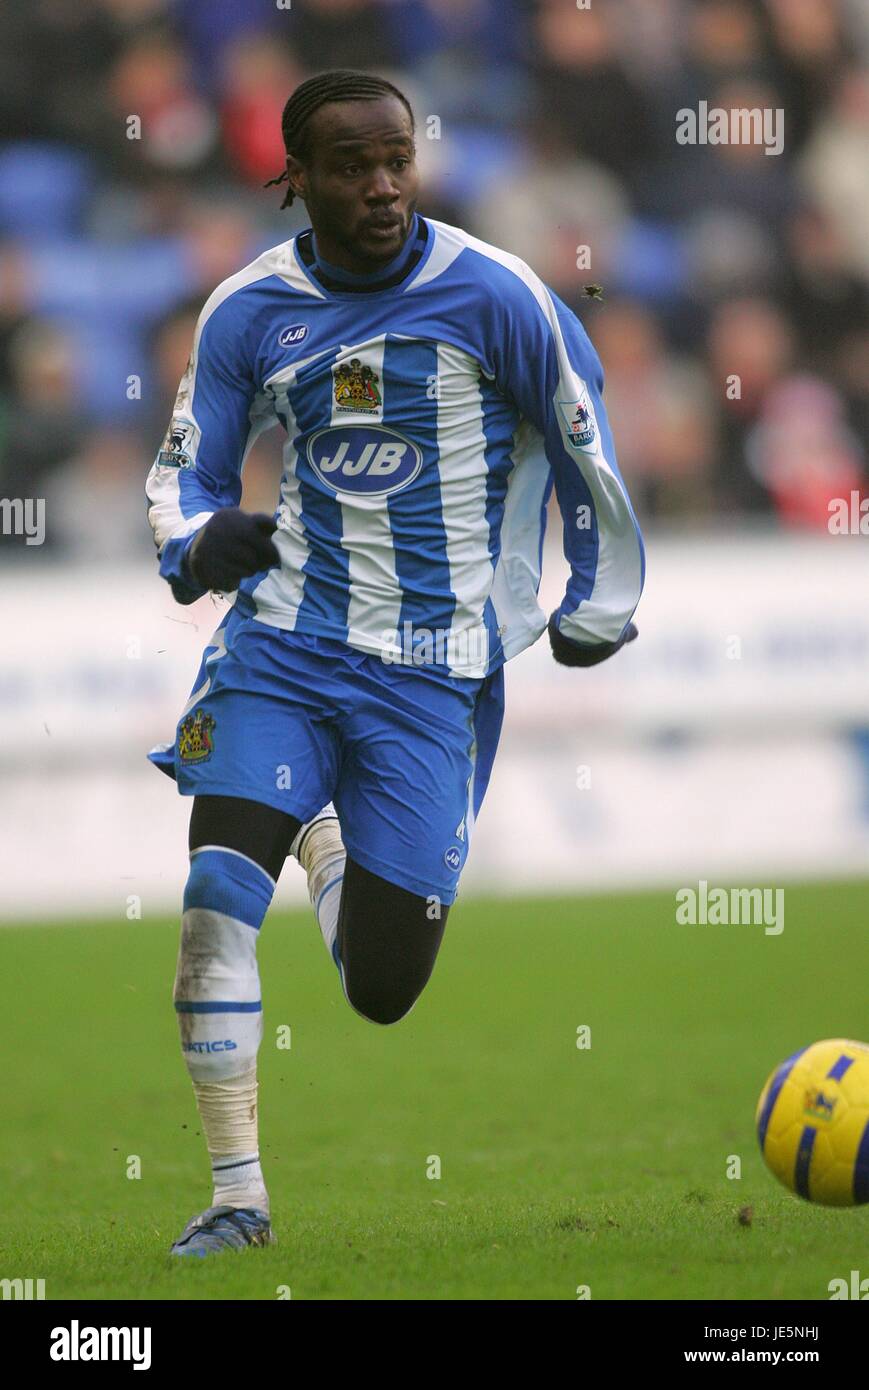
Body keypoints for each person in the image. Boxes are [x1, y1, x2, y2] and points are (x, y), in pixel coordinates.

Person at [145, 70, 644, 1258]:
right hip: (284, 642)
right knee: (217, 899)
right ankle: (236, 1199)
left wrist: (600, 595)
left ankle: (324, 840)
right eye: (351, 167)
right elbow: (185, 473)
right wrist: (195, 541)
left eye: (396, 162)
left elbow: (583, 431)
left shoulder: (495, 293)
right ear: (296, 180)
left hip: (432, 674)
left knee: (381, 988)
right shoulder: (247, 313)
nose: (380, 187)